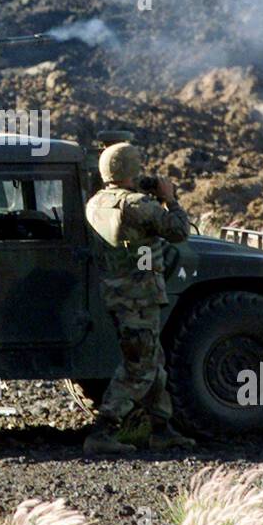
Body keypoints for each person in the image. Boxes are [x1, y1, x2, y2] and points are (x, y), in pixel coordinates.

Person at [83, 142, 197, 454]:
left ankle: (162, 428)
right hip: (139, 296)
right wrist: (170, 199)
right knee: (140, 366)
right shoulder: (135, 205)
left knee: (153, 360)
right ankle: (103, 431)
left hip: (118, 294)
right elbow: (178, 231)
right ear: (132, 171)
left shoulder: (96, 202)